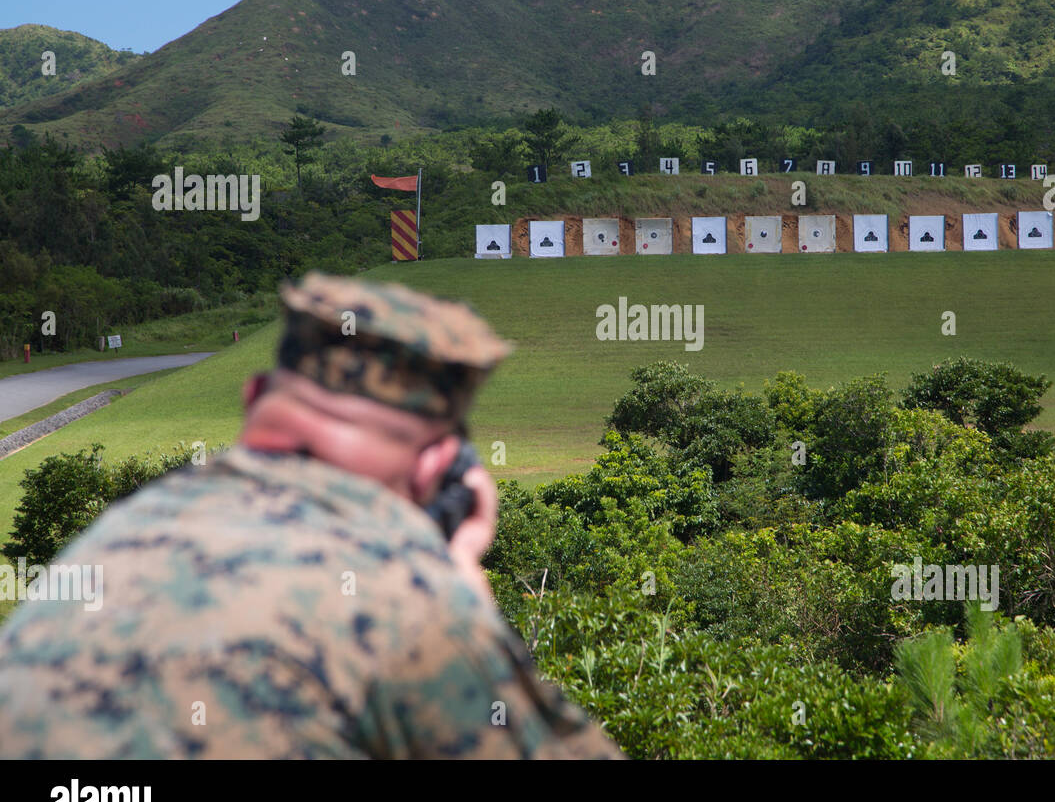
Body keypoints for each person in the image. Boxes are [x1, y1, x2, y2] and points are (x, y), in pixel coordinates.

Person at [0, 272, 623, 759]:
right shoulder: (411, 602)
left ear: (253, 401)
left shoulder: (112, 538)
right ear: (438, 468)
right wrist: (460, 590)